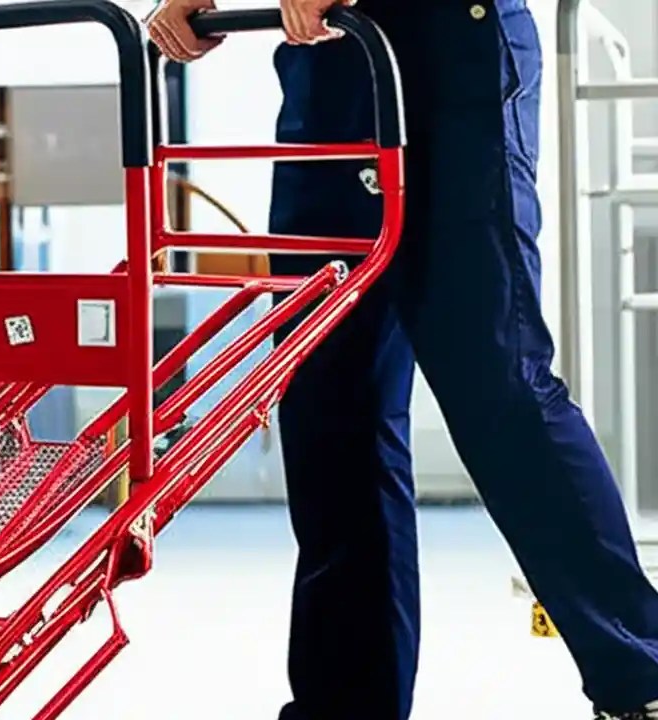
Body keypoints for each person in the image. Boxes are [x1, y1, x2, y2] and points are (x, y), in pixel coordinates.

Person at [147, 1, 658, 718]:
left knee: (495, 382)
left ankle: (643, 678)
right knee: (327, 398)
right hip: (329, 64)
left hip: (453, 50)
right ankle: (347, 703)